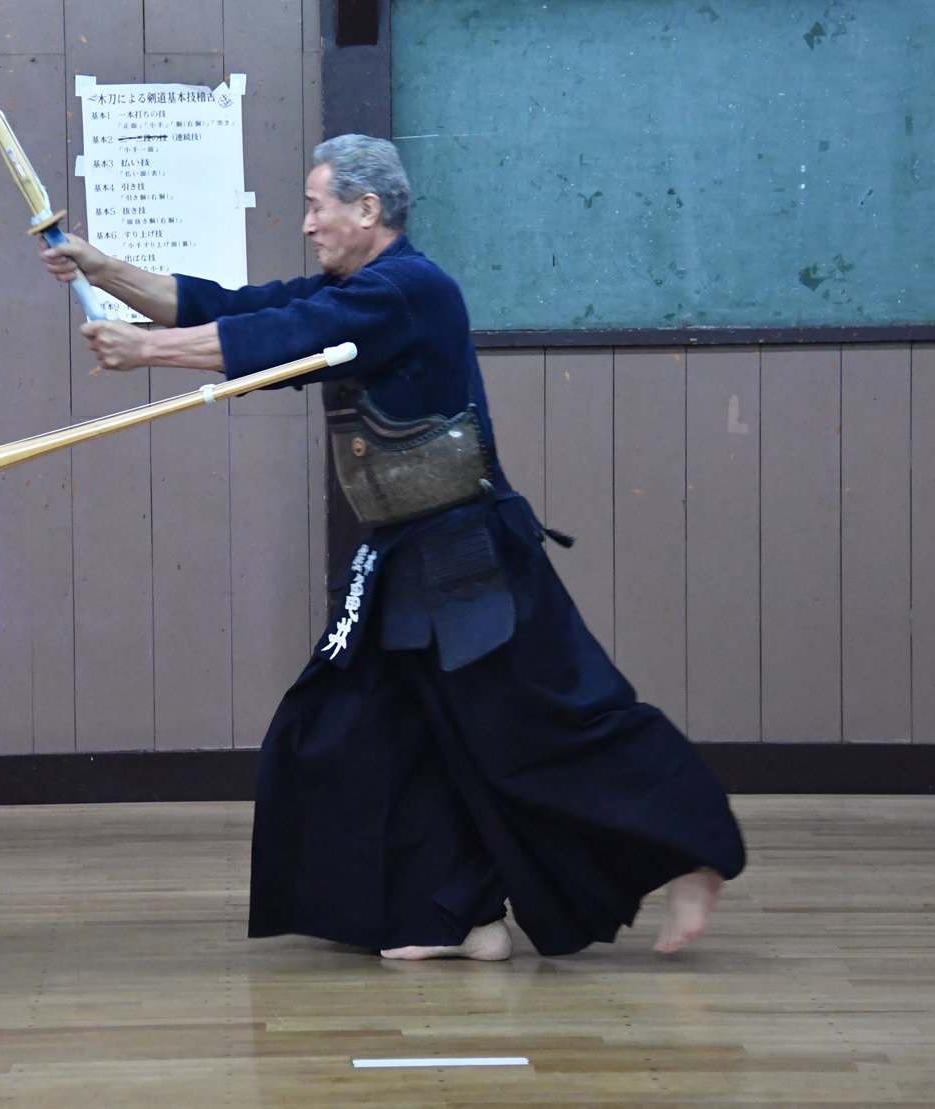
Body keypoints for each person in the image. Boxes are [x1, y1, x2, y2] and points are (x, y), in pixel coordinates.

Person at [43, 134, 745, 961]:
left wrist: (146, 350)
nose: (306, 224)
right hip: (404, 558)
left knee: (553, 718)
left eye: (316, 205)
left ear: (367, 208)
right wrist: (100, 268)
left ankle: (694, 847)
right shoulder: (355, 288)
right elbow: (232, 309)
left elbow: (285, 341)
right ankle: (457, 915)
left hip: (471, 558)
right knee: (378, 734)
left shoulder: (407, 290)